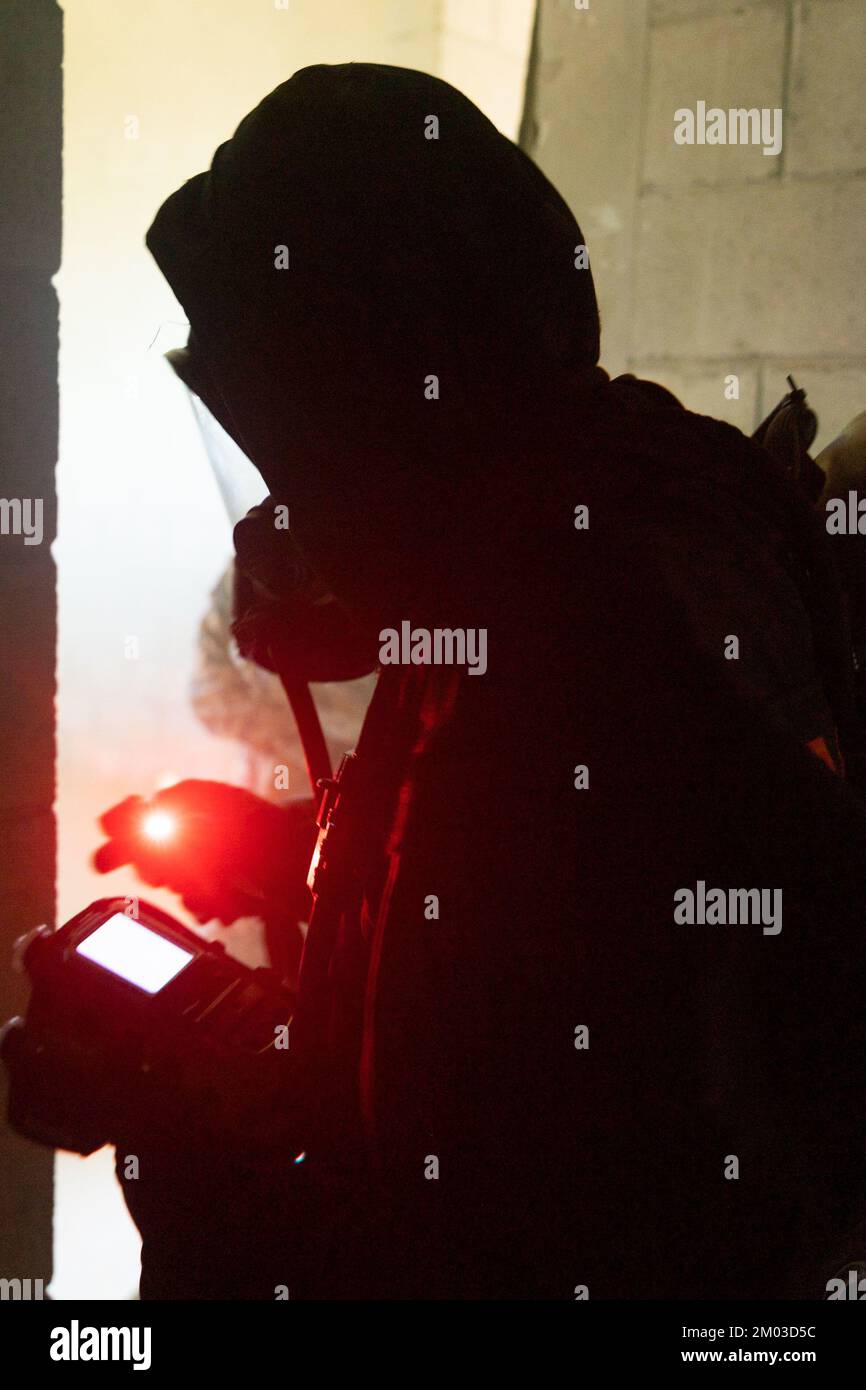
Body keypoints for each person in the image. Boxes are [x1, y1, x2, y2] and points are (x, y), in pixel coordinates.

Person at [96, 64, 866, 1300]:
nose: (285, 505)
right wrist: (298, 858)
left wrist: (171, 1128)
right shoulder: (607, 520)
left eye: (290, 429)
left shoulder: (577, 651)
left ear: (377, 390)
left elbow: (480, 1256)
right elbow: (521, 893)